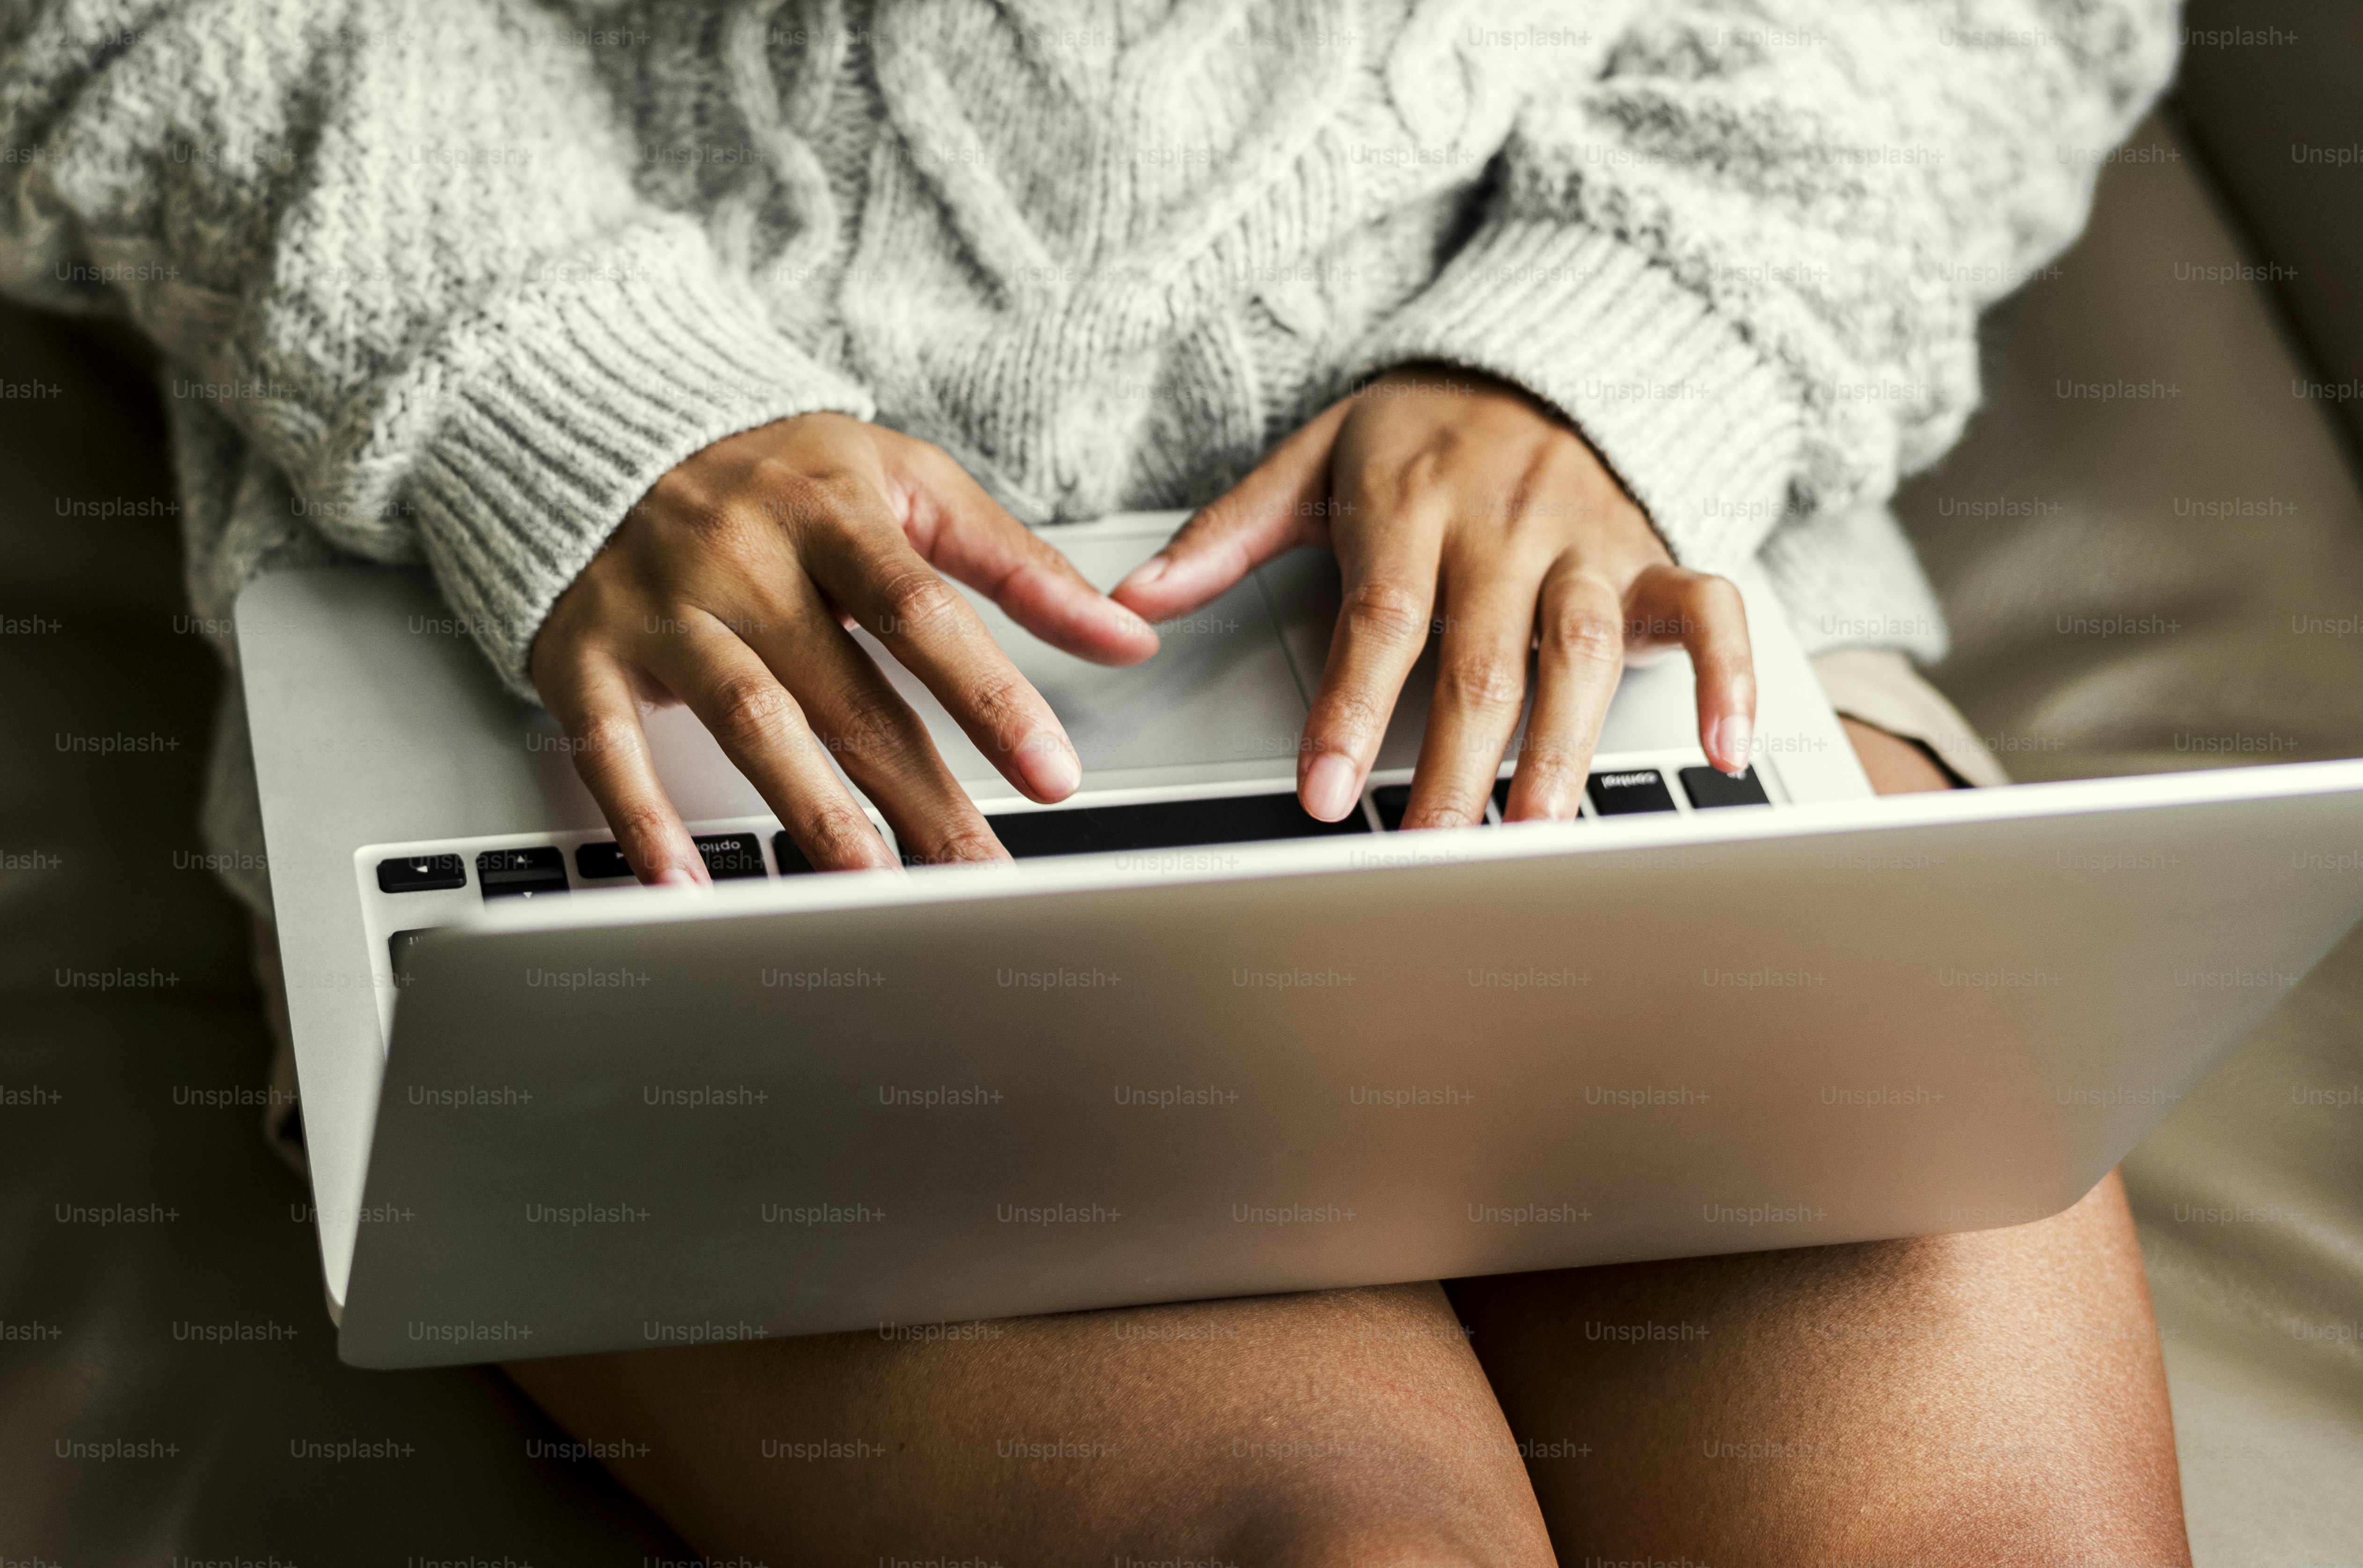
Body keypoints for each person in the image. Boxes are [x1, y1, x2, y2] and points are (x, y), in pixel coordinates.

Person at [2, 0, 2192, 1559]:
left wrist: (1633, 340)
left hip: (1603, 553)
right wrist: (560, 391)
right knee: (1336, 1547)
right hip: (667, 615)